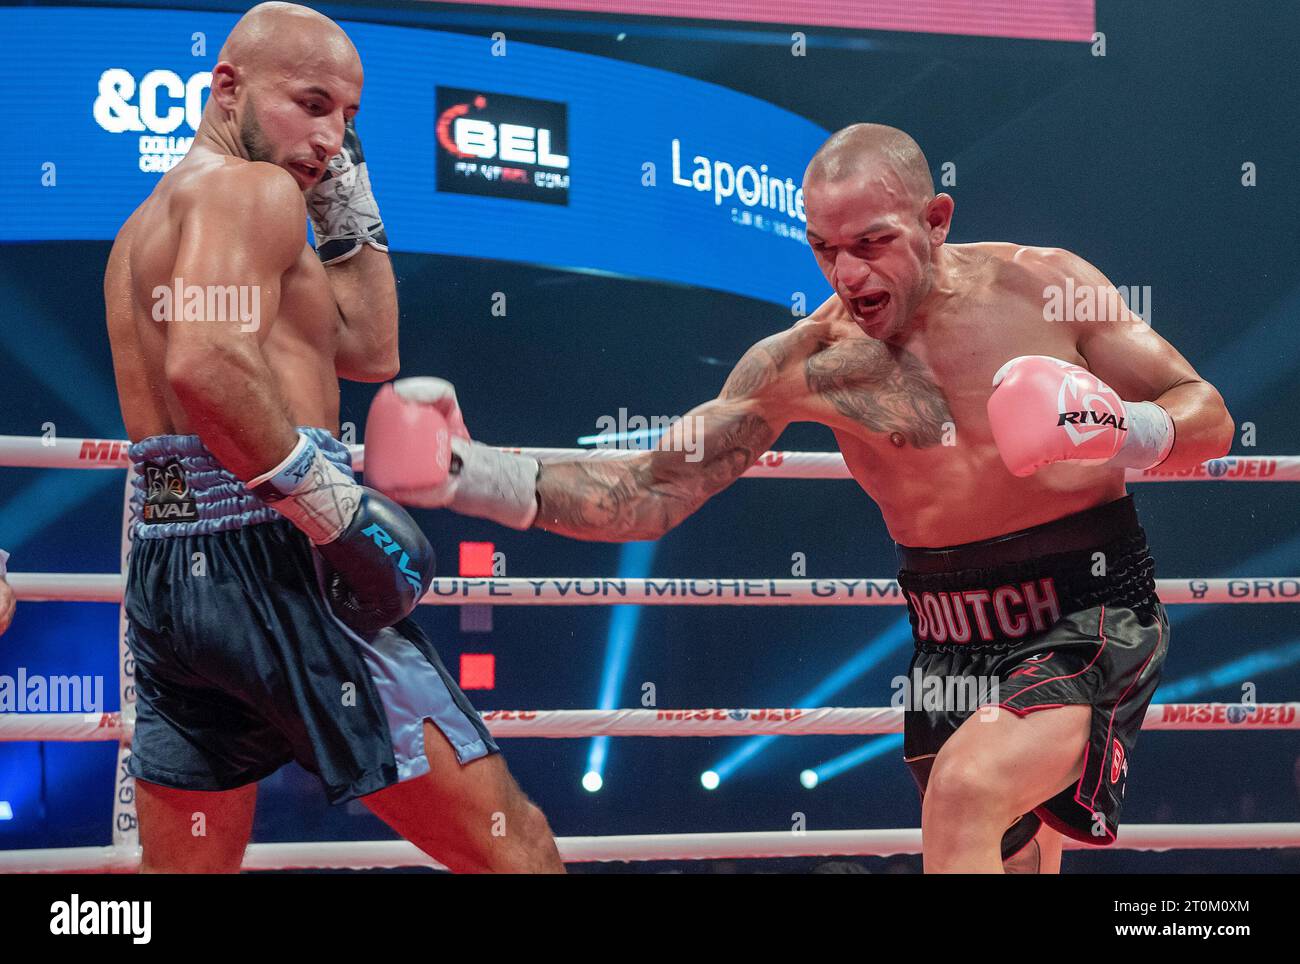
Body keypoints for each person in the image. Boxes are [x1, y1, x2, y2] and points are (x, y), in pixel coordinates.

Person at [365, 123, 1234, 873]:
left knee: (969, 792)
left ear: (936, 221)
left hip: (1089, 609)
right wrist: (468, 473)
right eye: (824, 247)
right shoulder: (805, 363)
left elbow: (1208, 414)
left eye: (873, 242)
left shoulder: (1044, 286)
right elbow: (650, 492)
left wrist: (1120, 427)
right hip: (951, 641)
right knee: (1007, 846)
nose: (847, 272)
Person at [103, 2, 562, 873]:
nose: (332, 139)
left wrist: (345, 194)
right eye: (312, 105)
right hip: (277, 555)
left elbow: (367, 349)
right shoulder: (252, 191)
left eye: (349, 119)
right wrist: (336, 512)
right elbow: (206, 365)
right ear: (226, 88)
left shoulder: (144, 228)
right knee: (517, 851)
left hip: (170, 573)